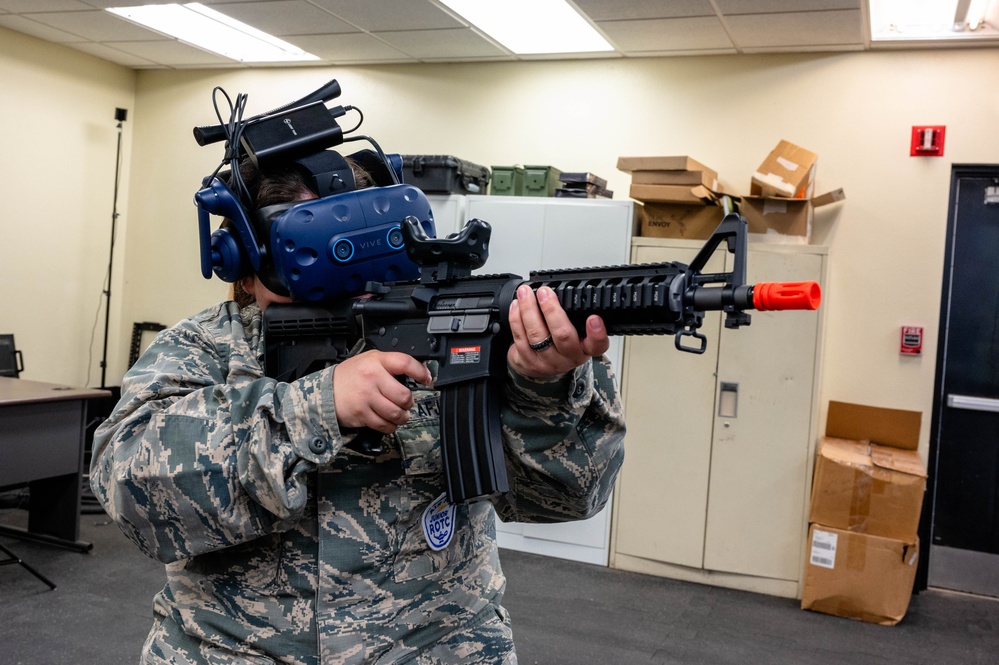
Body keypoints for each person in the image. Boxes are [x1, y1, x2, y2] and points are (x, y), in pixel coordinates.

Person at [90, 154, 626, 665]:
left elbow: (571, 498)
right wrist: (315, 406)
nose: (342, 298)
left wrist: (542, 389)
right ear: (247, 269)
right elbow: (129, 492)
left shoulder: (462, 331)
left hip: (439, 648)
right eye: (303, 273)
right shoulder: (201, 349)